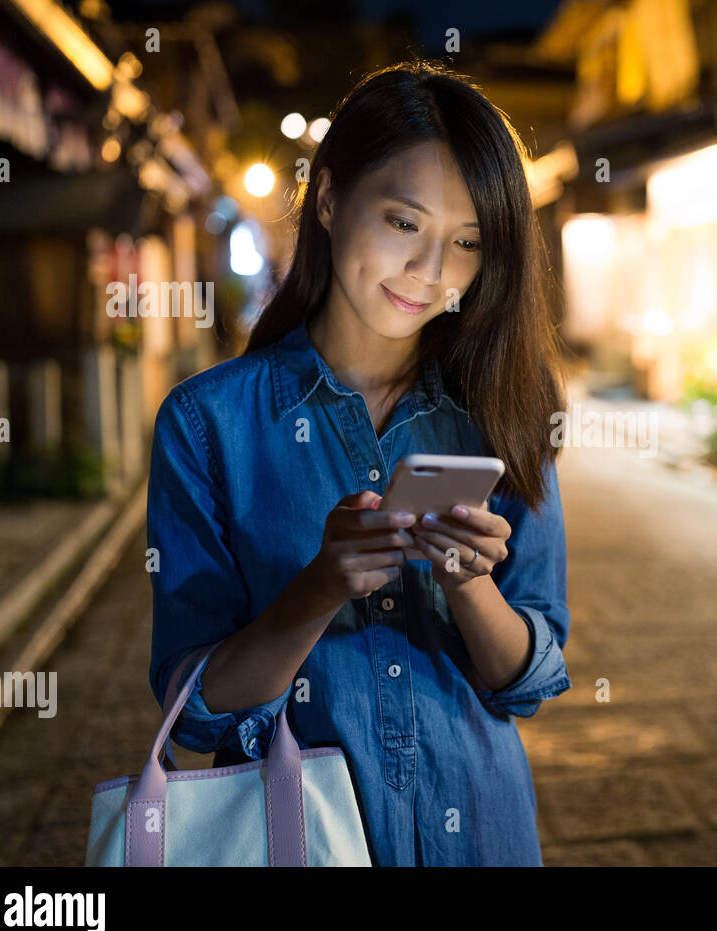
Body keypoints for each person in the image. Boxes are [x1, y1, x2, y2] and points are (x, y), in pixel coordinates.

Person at [146, 61, 572, 866]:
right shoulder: (207, 424)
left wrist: (469, 582)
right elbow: (194, 710)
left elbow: (529, 679)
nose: (432, 271)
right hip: (294, 836)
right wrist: (319, 586)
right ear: (333, 199)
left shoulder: (504, 409)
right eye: (404, 223)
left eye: (469, 242)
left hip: (481, 830)